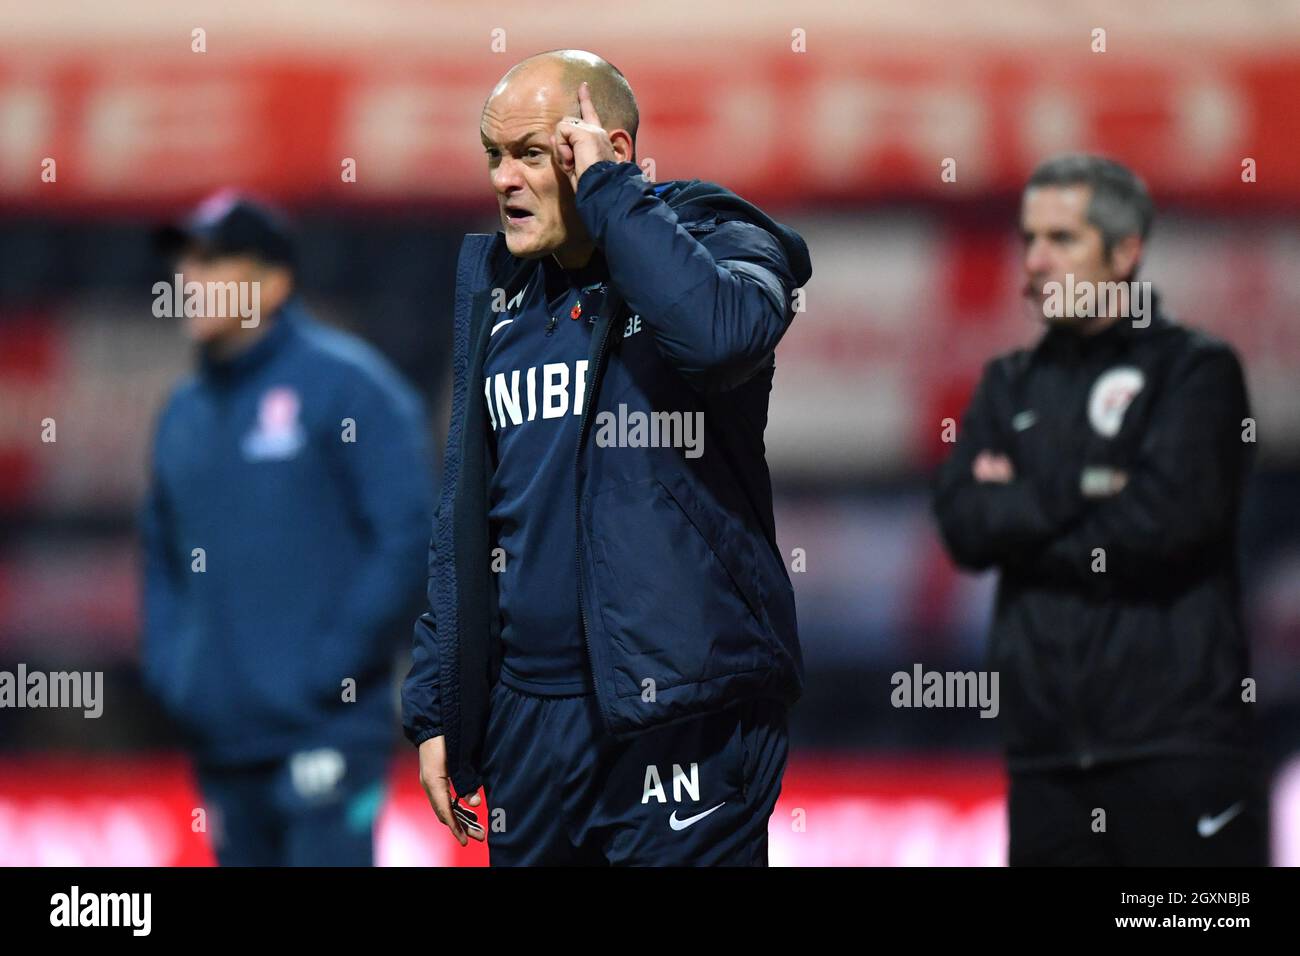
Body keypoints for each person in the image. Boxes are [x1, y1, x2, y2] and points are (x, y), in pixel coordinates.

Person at [401, 50, 812, 866]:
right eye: (493, 155)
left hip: (677, 719)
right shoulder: (498, 292)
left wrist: (612, 196)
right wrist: (437, 702)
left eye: (528, 153)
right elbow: (471, 514)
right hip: (528, 725)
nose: (502, 181)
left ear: (606, 150)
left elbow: (723, 337)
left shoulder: (718, 237)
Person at [932, 154, 1266, 866]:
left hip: (1177, 752)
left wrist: (1020, 500)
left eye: (1063, 239)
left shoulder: (1195, 372)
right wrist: (1096, 485)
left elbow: (1163, 526)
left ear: (1125, 252)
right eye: (1029, 239)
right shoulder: (1006, 383)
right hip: (1047, 760)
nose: (1037, 260)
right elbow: (963, 523)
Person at [140, 192, 434, 866]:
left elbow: (407, 540)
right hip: (223, 739)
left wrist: (326, 670)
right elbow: (161, 556)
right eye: (186, 263)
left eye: (214, 261)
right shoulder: (182, 414)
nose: (190, 279)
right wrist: (176, 673)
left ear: (272, 282)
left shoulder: (351, 390)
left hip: (324, 731)